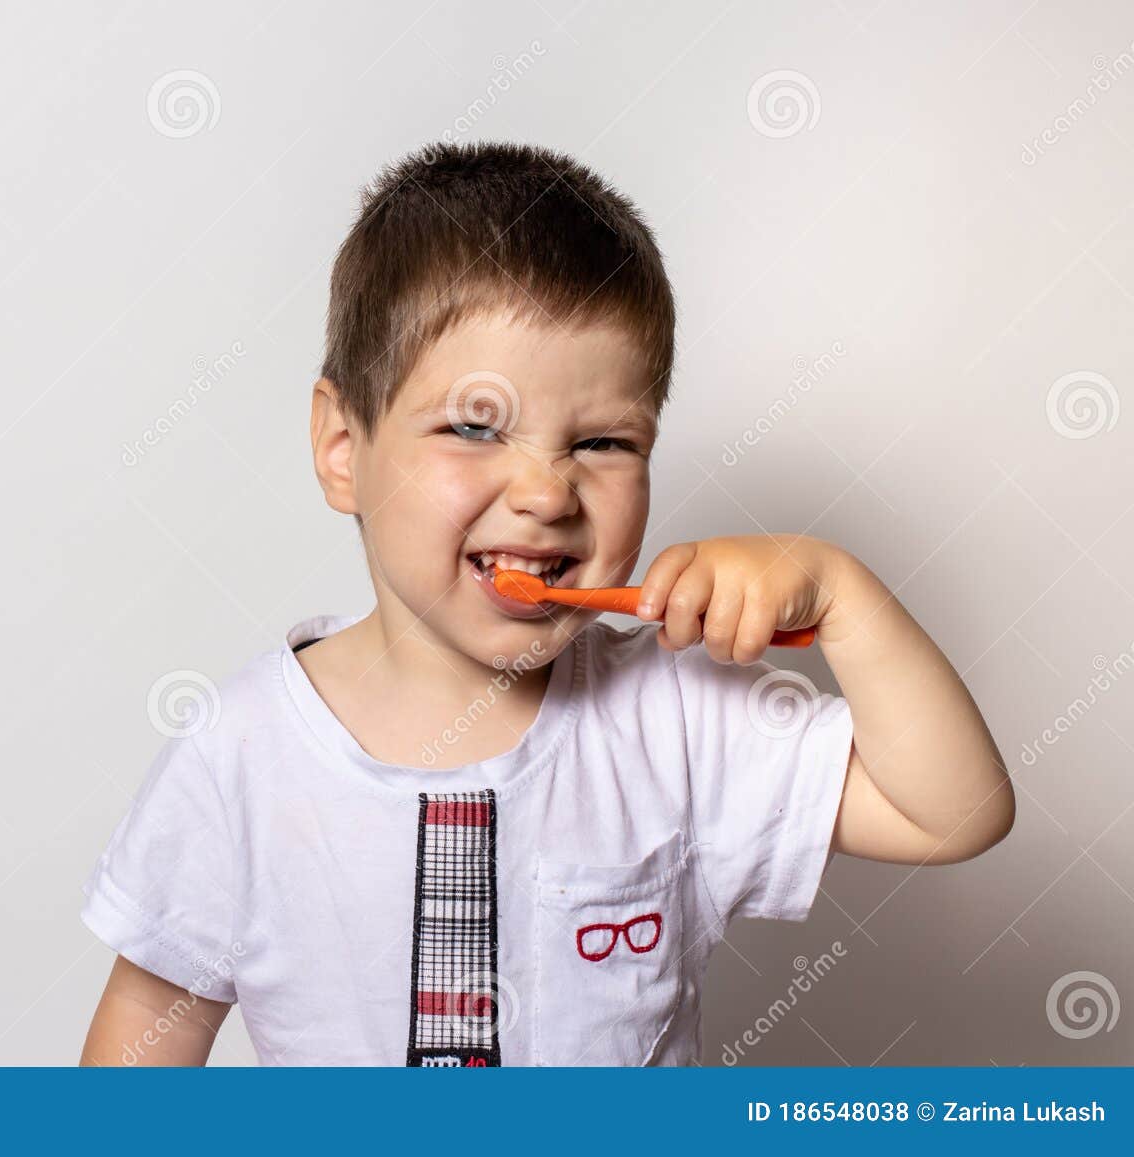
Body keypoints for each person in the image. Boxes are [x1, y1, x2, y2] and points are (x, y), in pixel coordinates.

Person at [77, 141, 1014, 1066]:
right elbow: (140, 1058)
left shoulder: (677, 719)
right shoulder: (239, 758)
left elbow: (955, 811)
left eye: (605, 442)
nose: (547, 493)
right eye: (474, 427)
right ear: (342, 447)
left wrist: (843, 595)